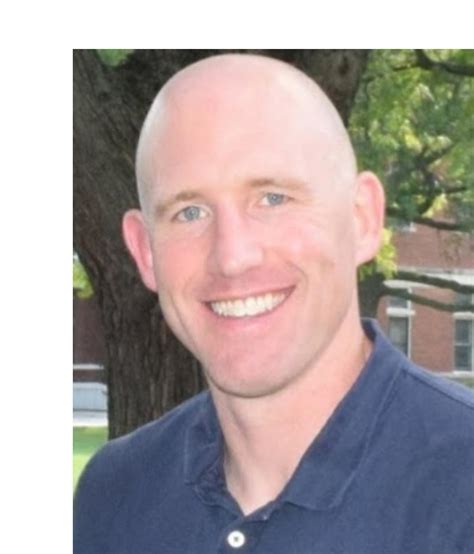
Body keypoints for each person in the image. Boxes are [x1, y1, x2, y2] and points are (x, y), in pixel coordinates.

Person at [74, 54, 474, 553]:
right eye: (190, 212)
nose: (232, 257)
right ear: (145, 252)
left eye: (273, 198)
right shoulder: (113, 496)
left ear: (362, 219)